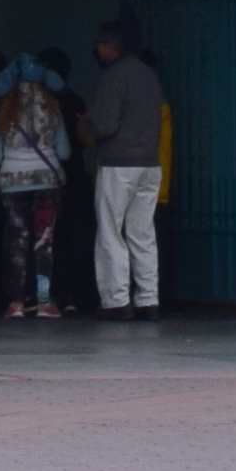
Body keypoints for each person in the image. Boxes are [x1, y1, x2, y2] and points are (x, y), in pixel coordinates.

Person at [82, 24, 165, 316]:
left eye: (99, 44)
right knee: (143, 233)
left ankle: (116, 301)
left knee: (110, 231)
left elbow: (105, 125)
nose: (97, 50)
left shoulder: (114, 78)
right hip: (150, 164)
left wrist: (85, 122)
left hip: (118, 165)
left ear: (112, 45)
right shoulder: (148, 76)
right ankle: (148, 299)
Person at [0, 56, 74, 319]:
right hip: (47, 181)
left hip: (12, 183)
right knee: (43, 240)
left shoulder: (2, 108)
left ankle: (15, 302)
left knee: (17, 239)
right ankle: (44, 301)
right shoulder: (52, 106)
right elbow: (64, 151)